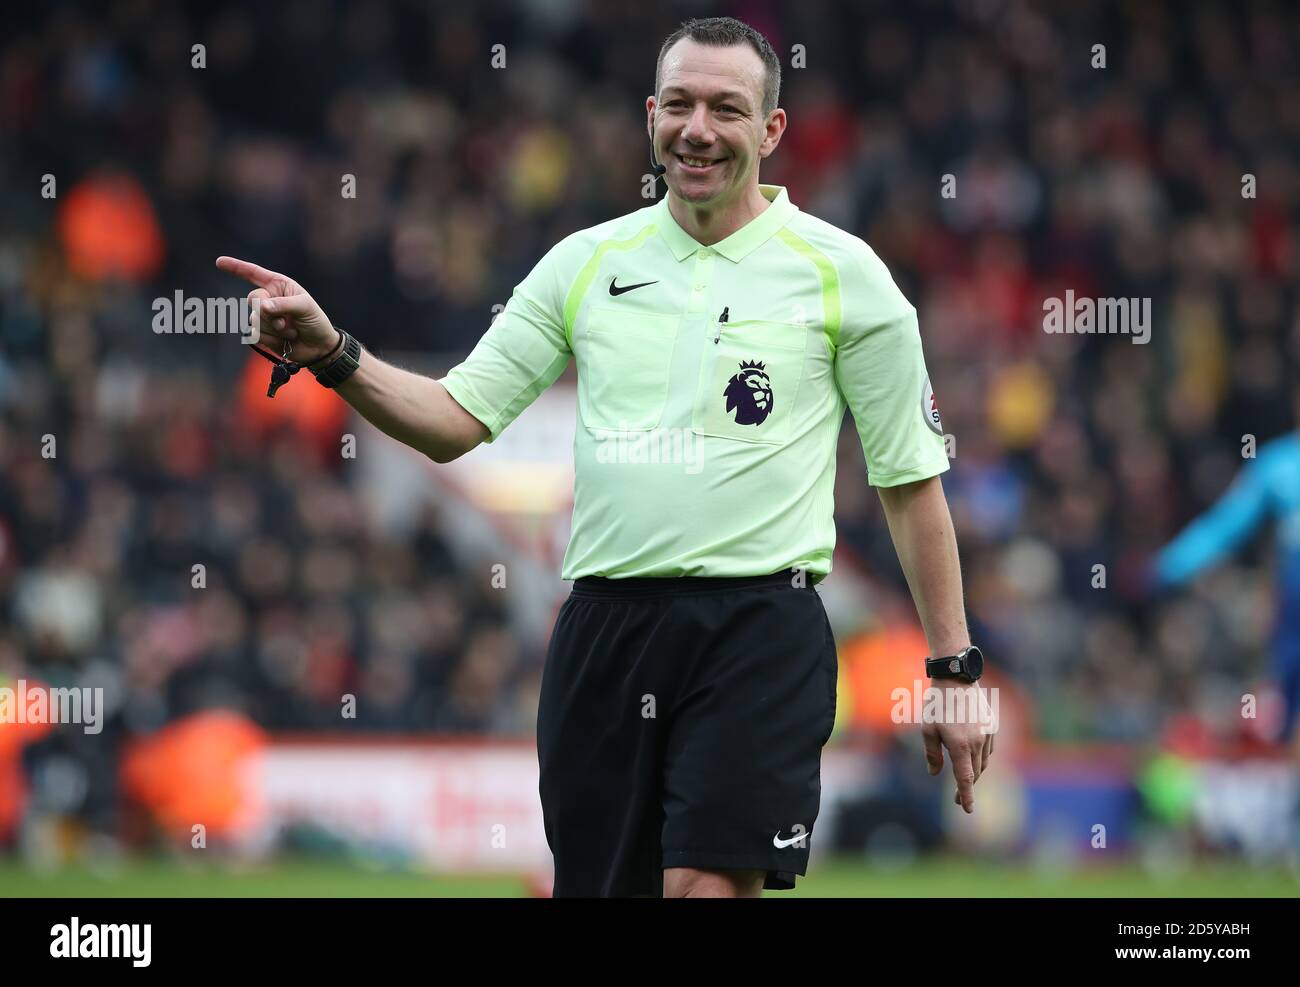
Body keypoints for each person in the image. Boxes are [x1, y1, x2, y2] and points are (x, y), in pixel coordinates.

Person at [216, 15, 992, 898]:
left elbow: (909, 481)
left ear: (771, 131)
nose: (699, 129)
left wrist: (953, 669)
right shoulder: (584, 265)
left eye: (728, 109)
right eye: (682, 105)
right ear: (651, 114)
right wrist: (333, 354)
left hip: (760, 630)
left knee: (705, 886)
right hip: (604, 634)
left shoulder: (845, 276)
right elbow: (456, 417)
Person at [1150, 381, 1300, 749]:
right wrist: (1169, 566)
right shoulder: (1279, 465)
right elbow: (1227, 523)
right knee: (1285, 706)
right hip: (1293, 615)